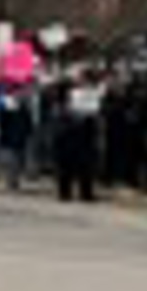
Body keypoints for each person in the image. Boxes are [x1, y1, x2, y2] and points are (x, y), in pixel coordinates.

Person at [57, 72, 103, 204]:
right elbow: (63, 110)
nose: (84, 83)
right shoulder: (69, 93)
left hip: (86, 132)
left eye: (86, 80)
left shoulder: (92, 94)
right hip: (70, 132)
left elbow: (96, 110)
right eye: (82, 79)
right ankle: (65, 192)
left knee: (86, 164)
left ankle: (86, 192)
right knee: (67, 164)